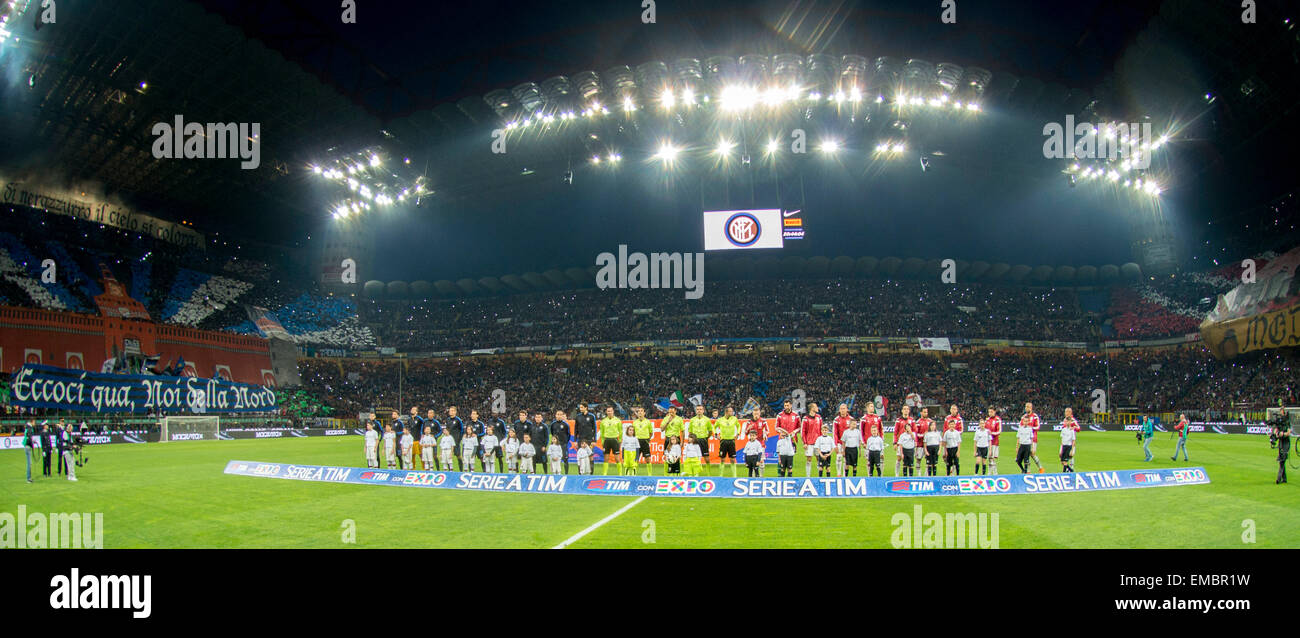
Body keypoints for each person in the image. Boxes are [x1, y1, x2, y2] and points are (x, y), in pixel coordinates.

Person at [715, 406, 741, 477]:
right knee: (722, 459)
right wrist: (716, 434)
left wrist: (737, 434)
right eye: (731, 411)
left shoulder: (734, 419)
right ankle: (720, 475)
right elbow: (714, 427)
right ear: (726, 412)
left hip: (731, 441)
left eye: (732, 411)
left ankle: (734, 476)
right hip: (723, 441)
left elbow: (738, 426)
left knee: (732, 459)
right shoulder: (720, 420)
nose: (732, 412)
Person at [799, 403, 823, 477]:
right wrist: (805, 443)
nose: (817, 408)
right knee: (809, 459)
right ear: (812, 408)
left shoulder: (819, 417)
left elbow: (821, 429)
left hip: (818, 442)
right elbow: (803, 431)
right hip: (809, 443)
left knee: (819, 459)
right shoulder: (805, 418)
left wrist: (821, 441)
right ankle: (808, 476)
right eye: (816, 407)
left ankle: (820, 476)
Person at [688, 405, 713, 474]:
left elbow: (710, 431)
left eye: (700, 409)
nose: (699, 411)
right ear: (696, 411)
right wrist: (691, 440)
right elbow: (690, 432)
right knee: (695, 457)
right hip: (695, 440)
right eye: (698, 409)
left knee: (706, 457)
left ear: (703, 411)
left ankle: (709, 473)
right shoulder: (692, 420)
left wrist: (706, 438)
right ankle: (696, 473)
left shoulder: (707, 420)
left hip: (703, 440)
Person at [599, 406, 623, 475]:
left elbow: (620, 431)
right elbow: (602, 433)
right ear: (606, 412)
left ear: (613, 411)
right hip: (606, 440)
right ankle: (604, 474)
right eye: (608, 411)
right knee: (606, 459)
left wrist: (620, 440)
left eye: (611, 411)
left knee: (617, 458)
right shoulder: (603, 421)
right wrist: (603, 442)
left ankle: (620, 474)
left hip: (615, 440)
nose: (609, 412)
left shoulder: (618, 420)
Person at [832, 403, 854, 477]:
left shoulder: (851, 419)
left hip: (848, 443)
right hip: (839, 442)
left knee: (846, 459)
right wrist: (835, 445)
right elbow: (834, 433)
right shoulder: (836, 420)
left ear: (847, 409)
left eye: (844, 408)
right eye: (841, 409)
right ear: (839, 410)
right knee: (838, 457)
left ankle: (845, 475)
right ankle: (838, 474)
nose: (842, 410)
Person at [893, 405, 916, 477]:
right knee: (899, 458)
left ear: (909, 411)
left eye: (907, 409)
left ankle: (909, 475)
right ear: (902, 411)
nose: (906, 410)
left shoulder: (912, 420)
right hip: (901, 443)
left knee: (909, 460)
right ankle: (897, 474)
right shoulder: (898, 420)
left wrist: (915, 441)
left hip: (909, 443)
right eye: (904, 409)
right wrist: (895, 442)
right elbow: (895, 432)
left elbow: (915, 431)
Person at [631, 407, 654, 474]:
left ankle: (650, 475)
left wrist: (647, 440)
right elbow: (633, 433)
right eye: (638, 411)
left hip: (645, 442)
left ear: (644, 413)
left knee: (648, 459)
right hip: (637, 442)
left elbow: (651, 432)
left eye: (641, 411)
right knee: (636, 459)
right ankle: (634, 474)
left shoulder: (648, 422)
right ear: (637, 413)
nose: (640, 412)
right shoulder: (635, 422)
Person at [1021, 402, 1043, 472]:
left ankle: (1040, 468)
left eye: (1028, 407)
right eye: (1025, 406)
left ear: (1031, 408)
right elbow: (1021, 427)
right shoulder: (1023, 417)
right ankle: (1028, 470)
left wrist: (1030, 428)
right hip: (1025, 439)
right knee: (1026, 454)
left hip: (1033, 438)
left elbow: (1038, 427)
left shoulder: (1035, 416)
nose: (1026, 408)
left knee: (1032, 454)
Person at [914, 408, 935, 475]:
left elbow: (934, 432)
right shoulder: (918, 422)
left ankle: (926, 474)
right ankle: (919, 474)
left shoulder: (930, 421)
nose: (926, 413)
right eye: (924, 412)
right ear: (921, 413)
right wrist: (923, 435)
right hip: (920, 444)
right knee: (918, 459)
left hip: (929, 444)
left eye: (926, 412)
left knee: (928, 460)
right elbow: (916, 434)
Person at [984, 407, 1003, 475]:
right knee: (989, 458)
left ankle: (991, 473)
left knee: (992, 457)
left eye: (991, 412)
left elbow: (999, 431)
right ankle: (994, 473)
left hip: (994, 441)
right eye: (989, 412)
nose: (990, 413)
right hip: (987, 442)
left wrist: (991, 433)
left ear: (994, 412)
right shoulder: (987, 420)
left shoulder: (997, 420)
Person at [1273, 417, 1290, 484]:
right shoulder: (1279, 425)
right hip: (1281, 444)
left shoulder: (1287, 424)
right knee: (1281, 461)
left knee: (1282, 461)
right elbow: (1275, 431)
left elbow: (1288, 433)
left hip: (1286, 444)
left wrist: (1283, 434)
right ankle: (1284, 479)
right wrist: (1276, 434)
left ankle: (1278, 478)